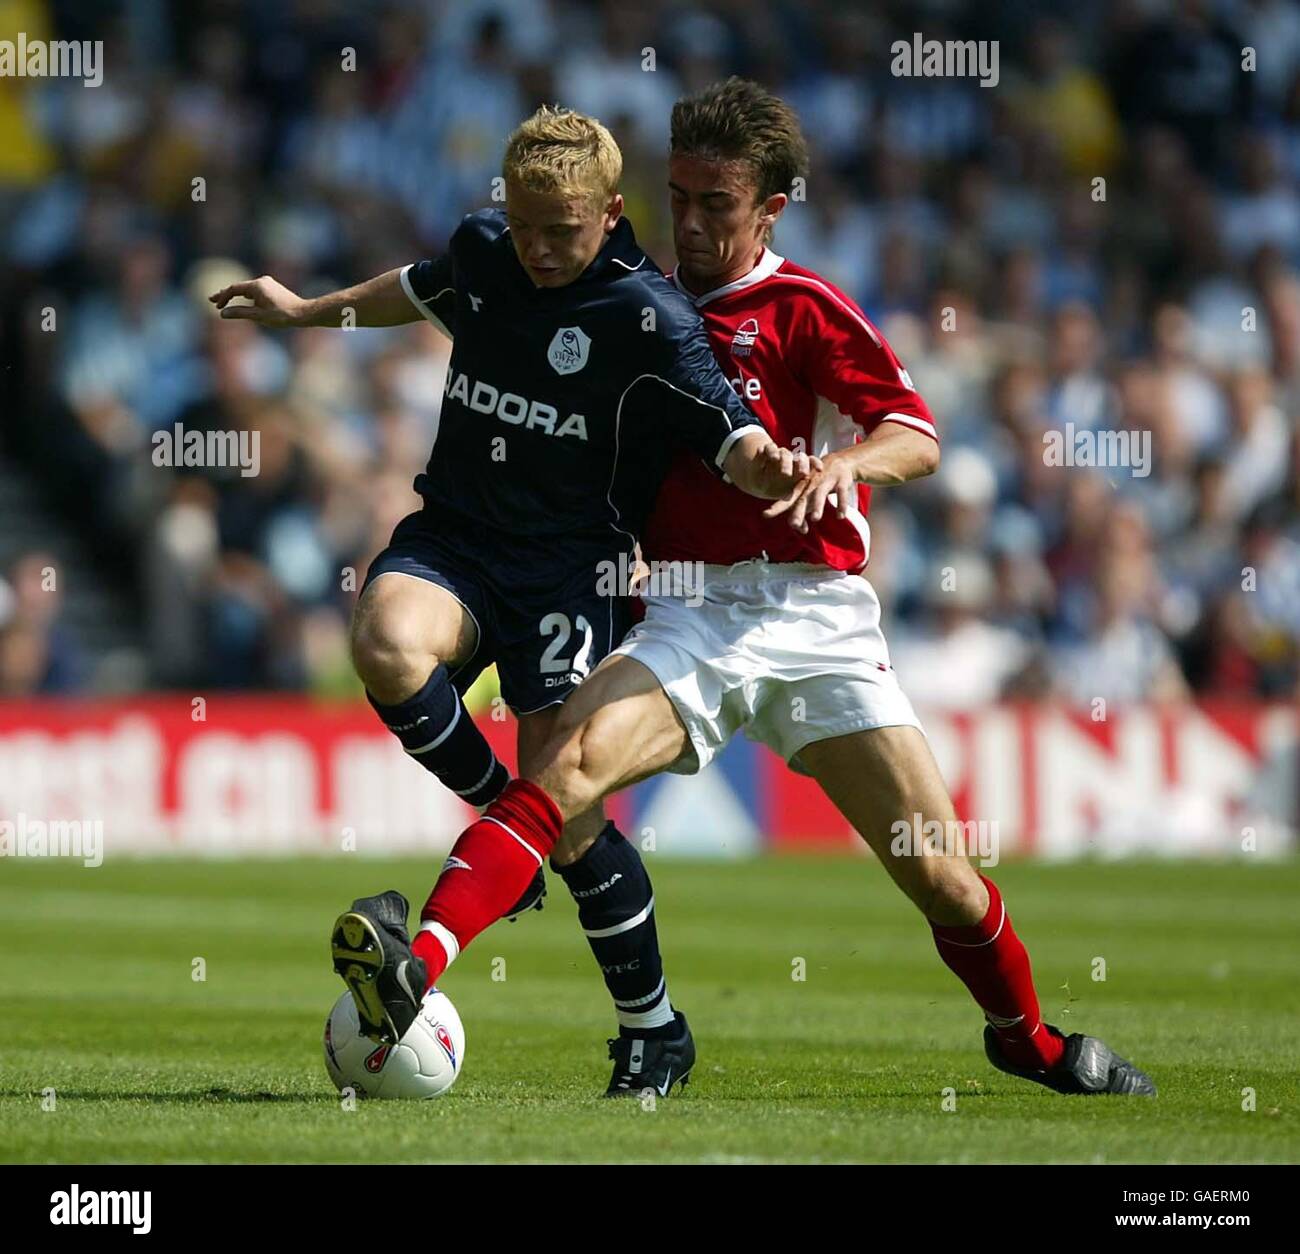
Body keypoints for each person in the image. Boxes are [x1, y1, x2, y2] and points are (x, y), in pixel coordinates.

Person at [344, 80, 1156, 1101]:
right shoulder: (624, 292)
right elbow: (448, 291)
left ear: (770, 208)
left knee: (942, 877)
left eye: (715, 204)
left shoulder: (804, 309)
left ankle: (1024, 1040)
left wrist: (845, 466)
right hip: (686, 609)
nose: (689, 222)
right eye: (677, 196)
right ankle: (420, 962)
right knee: (557, 780)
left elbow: (917, 434)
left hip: (816, 620)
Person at [210, 103, 812, 1043]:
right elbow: (414, 291)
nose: (535, 248)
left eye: (560, 231)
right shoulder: (485, 251)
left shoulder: (648, 314)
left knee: (571, 820)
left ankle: (652, 1026)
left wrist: (763, 463)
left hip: (573, 575)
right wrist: (305, 311)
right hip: (457, 537)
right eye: (523, 226)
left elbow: (726, 427)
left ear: (611, 211)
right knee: (383, 643)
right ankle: (505, 821)